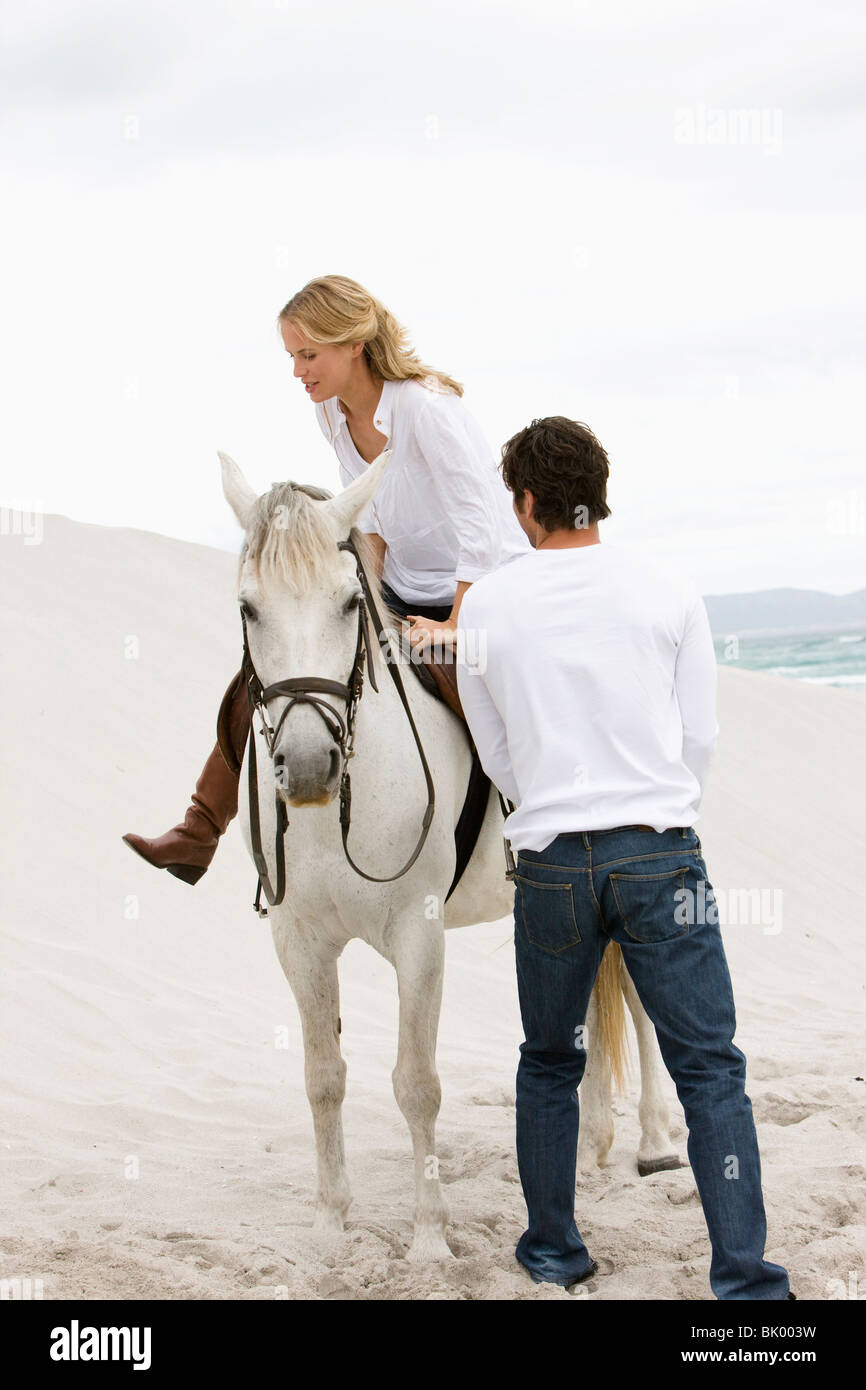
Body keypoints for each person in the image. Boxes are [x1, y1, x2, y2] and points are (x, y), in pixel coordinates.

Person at [454, 416, 793, 1301]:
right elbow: (700, 737)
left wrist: (553, 808)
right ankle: (746, 1283)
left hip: (553, 866)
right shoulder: (668, 585)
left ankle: (556, 1255)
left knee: (550, 1063)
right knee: (709, 1065)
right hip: (659, 857)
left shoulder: (488, 602)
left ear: (525, 502)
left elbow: (495, 754)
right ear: (597, 492)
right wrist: (658, 813)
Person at [122, 274, 528, 882]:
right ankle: (198, 830)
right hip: (406, 584)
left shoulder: (426, 408)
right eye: (292, 356)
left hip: (487, 587)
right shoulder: (332, 414)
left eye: (308, 355)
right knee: (284, 662)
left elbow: (480, 526)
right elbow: (377, 520)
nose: (298, 372)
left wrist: (456, 623)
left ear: (353, 345)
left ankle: (533, 836)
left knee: (493, 687)